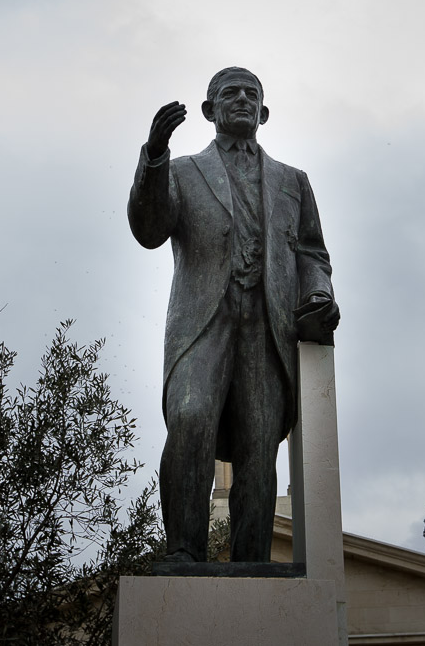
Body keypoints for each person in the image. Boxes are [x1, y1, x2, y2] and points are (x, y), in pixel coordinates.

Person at [128, 67, 339, 563]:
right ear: (209, 111)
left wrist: (318, 293)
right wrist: (154, 157)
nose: (242, 100)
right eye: (230, 93)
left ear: (263, 112)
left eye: (251, 94)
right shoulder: (181, 171)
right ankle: (182, 549)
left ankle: (252, 561)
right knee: (190, 416)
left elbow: (312, 253)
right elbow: (150, 229)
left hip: (268, 324)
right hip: (203, 319)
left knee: (259, 441)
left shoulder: (294, 181)